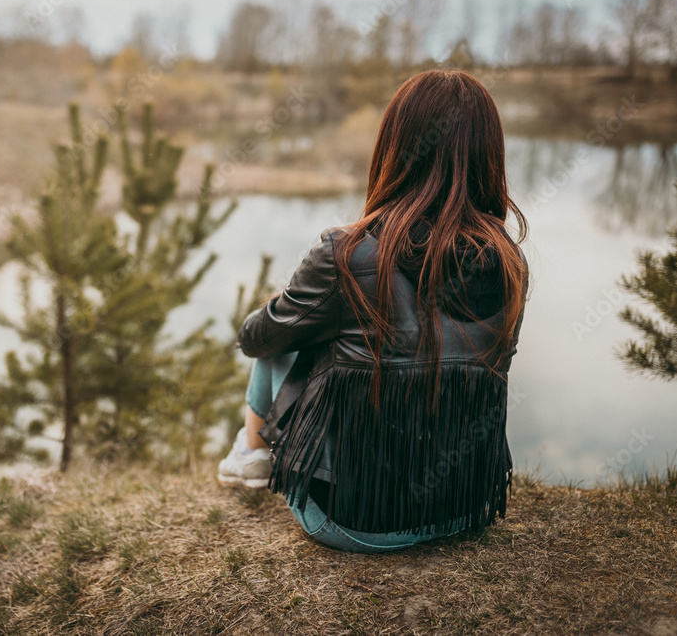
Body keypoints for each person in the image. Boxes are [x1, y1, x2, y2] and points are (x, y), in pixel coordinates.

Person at [217, 69, 530, 553]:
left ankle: (252, 453)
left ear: (395, 148)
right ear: (490, 156)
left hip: (348, 520)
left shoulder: (348, 254)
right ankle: (253, 453)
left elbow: (257, 339)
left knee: (282, 331)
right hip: (463, 512)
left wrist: (292, 301)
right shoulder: (509, 262)